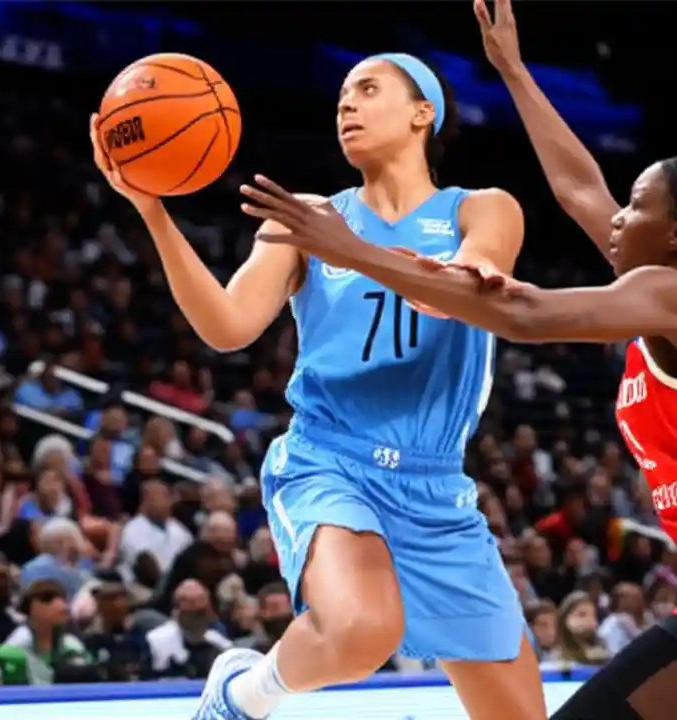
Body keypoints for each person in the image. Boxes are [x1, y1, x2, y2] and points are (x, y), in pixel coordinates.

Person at [236, 4, 677, 719]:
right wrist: (512, 70)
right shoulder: (657, 291)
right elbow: (577, 189)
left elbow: (523, 314)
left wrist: (349, 250)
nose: (617, 218)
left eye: (636, 208)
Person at [91, 52, 544, 720]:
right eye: (340, 95)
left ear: (424, 113)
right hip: (332, 461)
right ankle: (241, 696)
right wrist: (154, 212)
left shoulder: (484, 209)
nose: (346, 105)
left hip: (436, 487)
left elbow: (462, 297)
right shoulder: (306, 218)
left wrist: (351, 251)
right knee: (363, 630)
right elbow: (227, 326)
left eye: (367, 89)